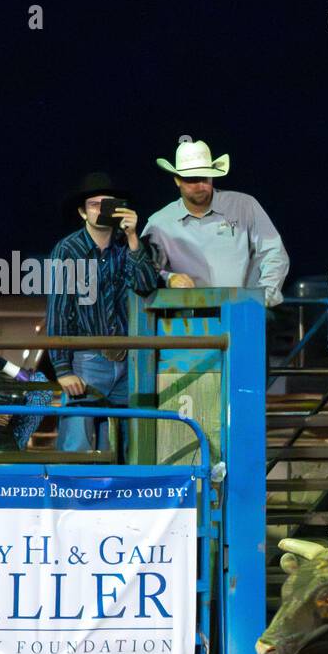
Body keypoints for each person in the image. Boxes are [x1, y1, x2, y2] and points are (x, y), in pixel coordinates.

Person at [46, 172, 158, 452]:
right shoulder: (68, 249)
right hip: (87, 357)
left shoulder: (126, 245)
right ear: (83, 212)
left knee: (124, 443)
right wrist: (62, 368)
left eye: (108, 204)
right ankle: (70, 496)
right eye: (94, 204)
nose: (100, 209)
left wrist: (133, 237)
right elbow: (60, 309)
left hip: (127, 358)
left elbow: (146, 285)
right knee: (77, 440)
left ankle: (121, 495)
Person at [142, 140, 290, 309]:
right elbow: (143, 269)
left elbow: (274, 253)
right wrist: (168, 278)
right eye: (191, 179)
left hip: (243, 313)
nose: (200, 186)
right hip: (186, 317)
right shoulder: (160, 222)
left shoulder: (244, 206)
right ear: (177, 180)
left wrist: (263, 297)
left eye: (205, 178)